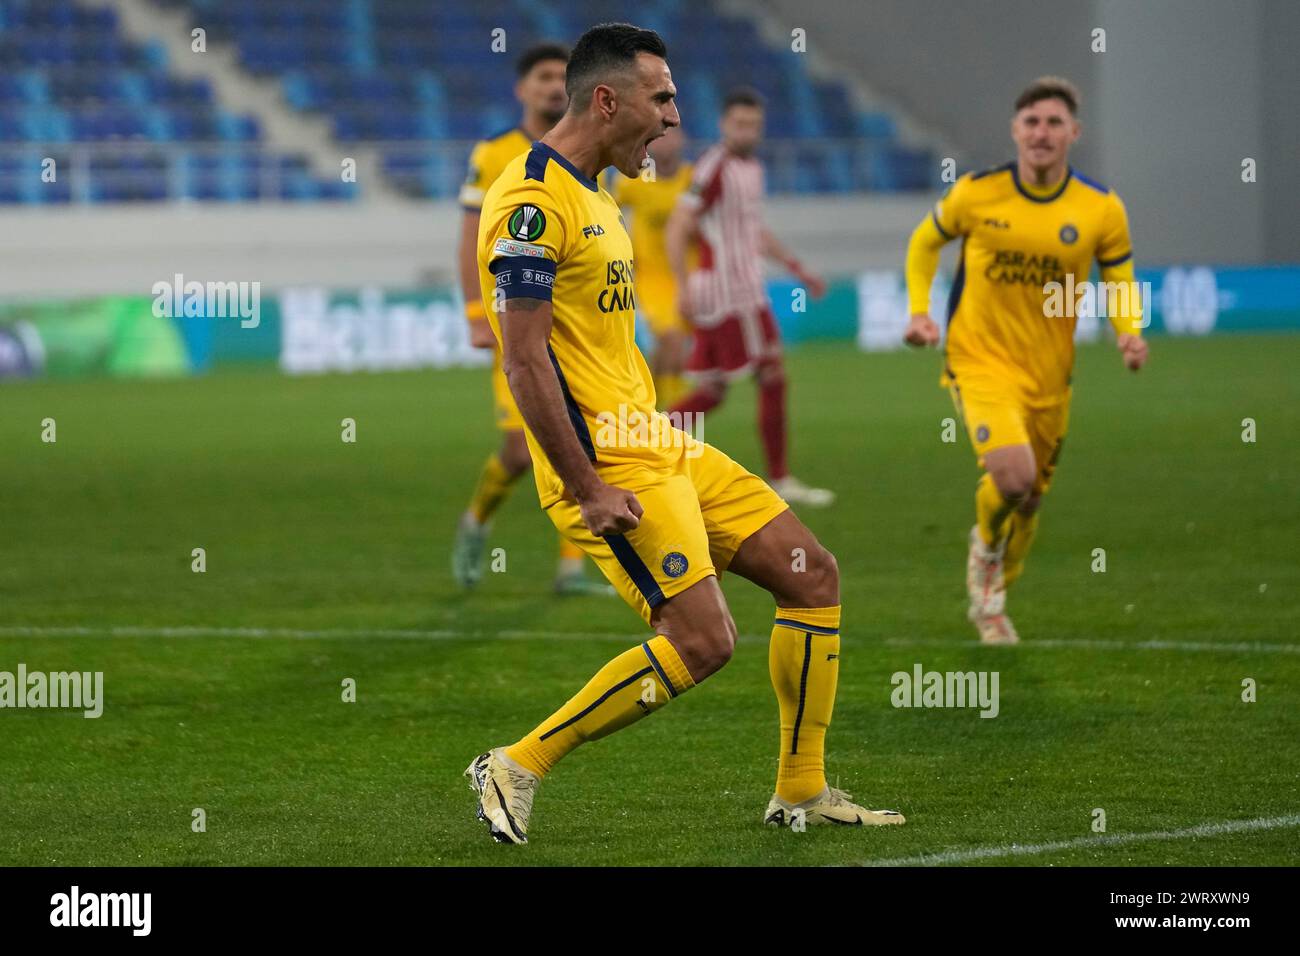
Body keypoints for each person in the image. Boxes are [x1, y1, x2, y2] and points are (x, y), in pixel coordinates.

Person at [465, 22, 904, 843]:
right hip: (608, 464)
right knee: (701, 640)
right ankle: (517, 763)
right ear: (607, 99)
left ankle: (801, 791)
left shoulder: (598, 188)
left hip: (659, 440)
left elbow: (585, 339)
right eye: (661, 98)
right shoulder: (530, 201)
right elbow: (524, 364)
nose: (672, 117)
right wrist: (591, 486)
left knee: (812, 575)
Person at [904, 76, 1148, 644]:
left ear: (1073, 133)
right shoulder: (977, 193)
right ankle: (985, 558)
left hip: (1049, 376)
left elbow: (1120, 276)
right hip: (979, 358)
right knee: (1014, 478)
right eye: (1032, 122)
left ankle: (995, 590)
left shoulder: (1100, 208)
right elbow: (924, 243)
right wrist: (920, 312)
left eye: (1054, 123)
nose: (1042, 132)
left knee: (1031, 497)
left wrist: (1129, 331)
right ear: (1016, 130)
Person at [451, 42, 610, 596]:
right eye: (542, 76)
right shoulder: (495, 154)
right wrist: (475, 313)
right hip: (516, 320)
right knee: (521, 451)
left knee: (589, 440)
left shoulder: (589, 155)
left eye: (560, 77)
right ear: (522, 88)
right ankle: (476, 520)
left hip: (576, 329)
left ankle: (571, 570)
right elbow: (471, 237)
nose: (551, 86)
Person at [665, 87, 834, 507]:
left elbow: (753, 231)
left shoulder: (752, 168)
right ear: (723, 124)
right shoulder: (713, 168)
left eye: (754, 124)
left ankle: (637, 443)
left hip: (744, 290)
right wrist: (682, 286)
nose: (748, 131)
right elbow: (678, 224)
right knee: (772, 375)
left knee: (715, 388)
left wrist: (797, 268)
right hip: (728, 293)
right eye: (740, 124)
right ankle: (780, 477)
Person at [610, 124, 694, 408]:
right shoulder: (635, 180)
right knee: (672, 339)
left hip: (689, 277)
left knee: (671, 348)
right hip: (651, 278)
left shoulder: (693, 180)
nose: (667, 142)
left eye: (673, 135)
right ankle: (678, 419)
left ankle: (650, 406)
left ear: (683, 140)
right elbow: (607, 209)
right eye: (660, 137)